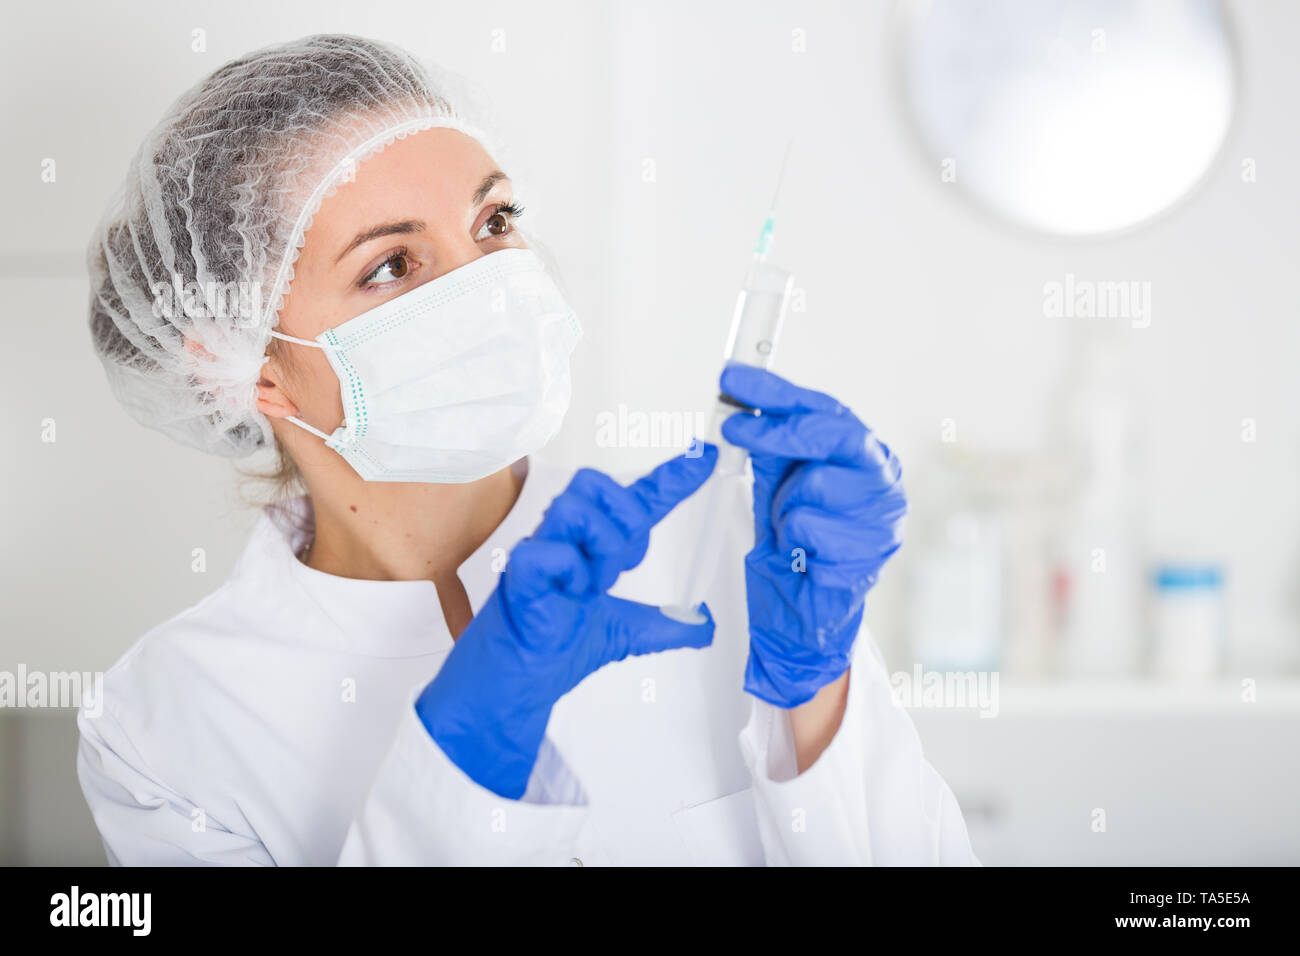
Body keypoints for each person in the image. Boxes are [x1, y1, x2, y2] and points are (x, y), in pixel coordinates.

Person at [78, 33, 978, 865]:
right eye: (392, 264)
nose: (493, 287)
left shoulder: (733, 553)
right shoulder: (167, 724)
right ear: (244, 366)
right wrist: (463, 756)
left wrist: (812, 702)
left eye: (494, 222)